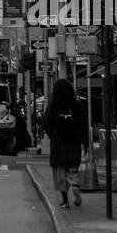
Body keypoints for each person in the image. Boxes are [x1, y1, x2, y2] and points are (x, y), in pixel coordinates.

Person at [43, 78, 85, 209]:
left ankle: (65, 201)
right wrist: (84, 141)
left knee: (60, 173)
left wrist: (53, 135)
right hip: (73, 143)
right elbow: (82, 123)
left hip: (58, 143)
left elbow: (46, 124)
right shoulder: (76, 105)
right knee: (72, 169)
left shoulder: (53, 106)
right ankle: (75, 186)